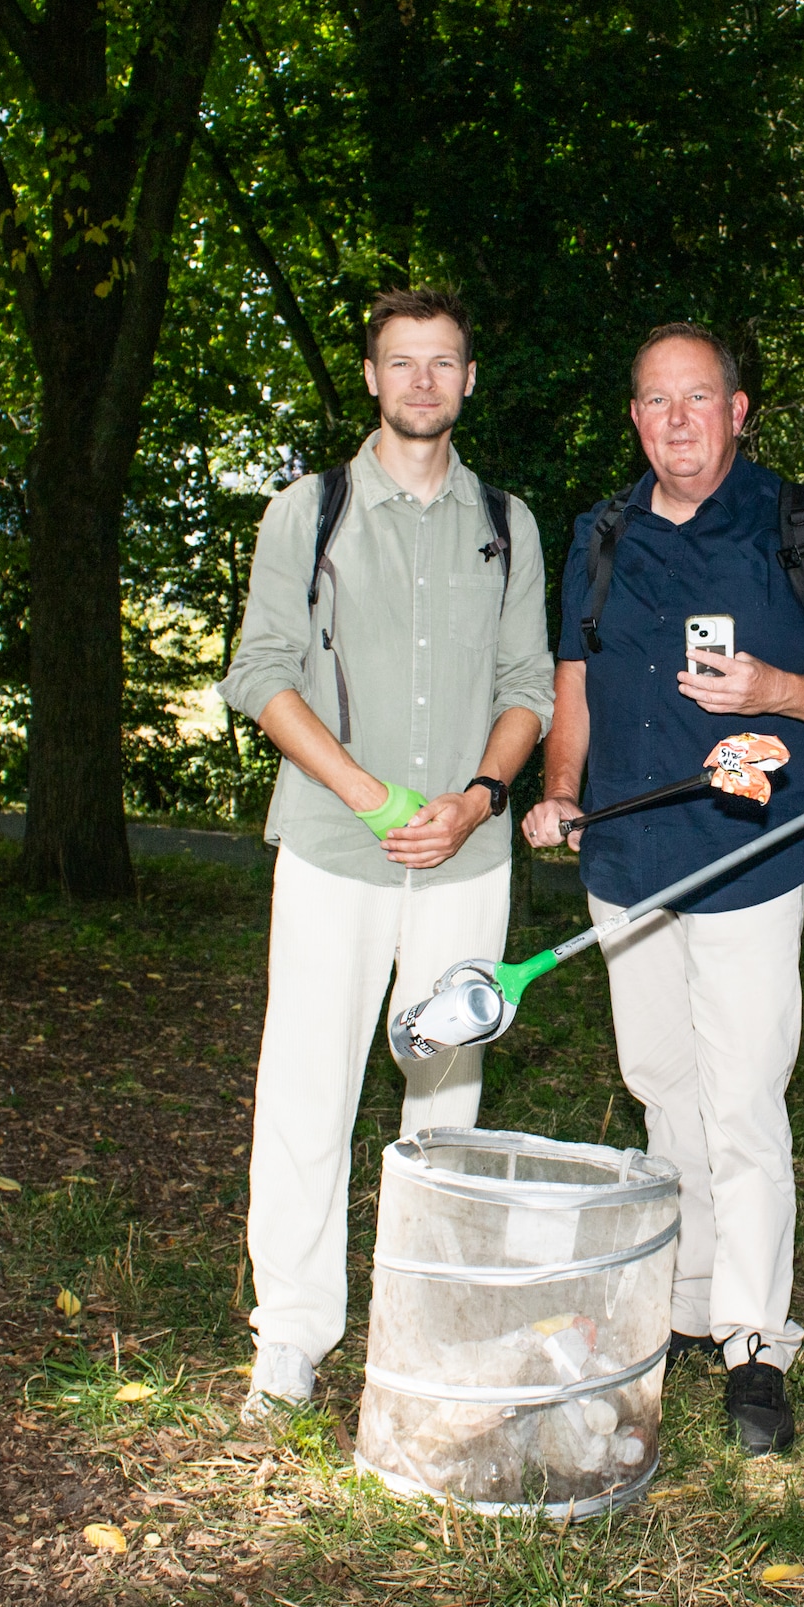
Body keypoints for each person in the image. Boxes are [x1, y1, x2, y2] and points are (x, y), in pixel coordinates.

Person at [520, 323, 804, 1454]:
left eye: (698, 399)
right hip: (626, 859)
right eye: (654, 402)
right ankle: (683, 1305)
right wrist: (557, 786)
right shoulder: (598, 532)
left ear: (738, 412)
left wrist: (775, 689)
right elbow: (573, 680)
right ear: (633, 418)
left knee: (741, 1101)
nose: (676, 420)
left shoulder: (795, 528)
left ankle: (752, 1338)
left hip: (749, 855)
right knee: (658, 1082)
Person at [217, 287, 554, 1424]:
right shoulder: (303, 513)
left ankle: (426, 1336)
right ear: (369, 377)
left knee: (444, 1095)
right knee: (307, 1092)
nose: (421, 381)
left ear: (468, 380)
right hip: (329, 848)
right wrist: (371, 799)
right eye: (400, 362)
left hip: (465, 858)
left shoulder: (507, 521)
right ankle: (292, 1343)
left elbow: (527, 689)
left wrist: (471, 801)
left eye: (442, 362)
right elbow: (258, 674)